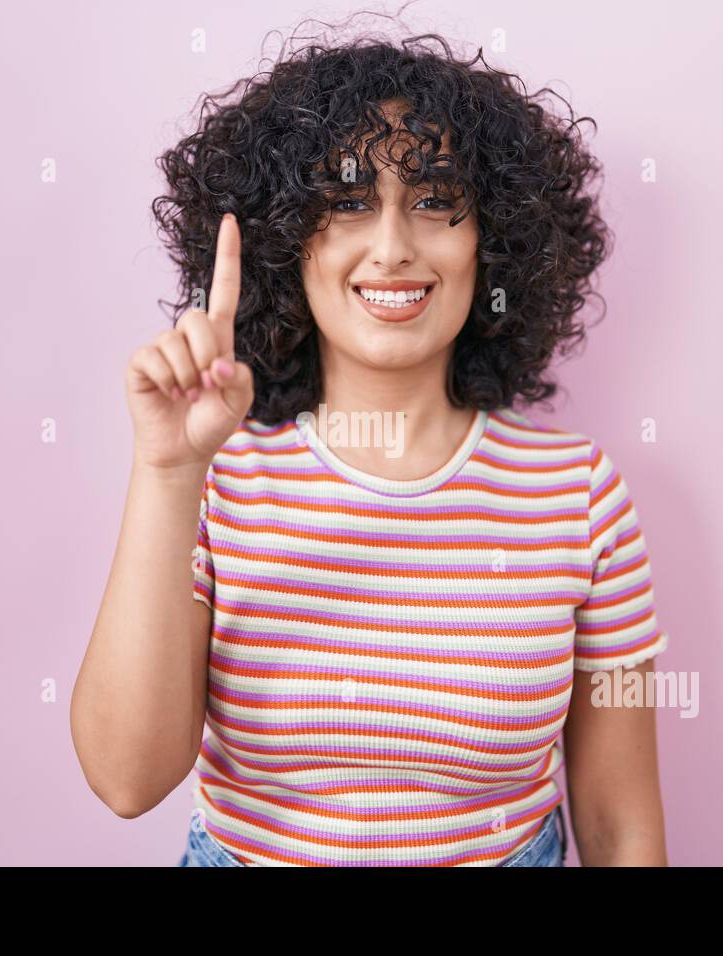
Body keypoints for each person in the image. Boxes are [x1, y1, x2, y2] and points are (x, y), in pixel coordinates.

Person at [71, 27, 670, 867]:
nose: (392, 246)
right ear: (289, 238)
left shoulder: (582, 497)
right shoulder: (218, 479)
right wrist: (169, 470)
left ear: (489, 241)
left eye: (433, 200)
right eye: (348, 201)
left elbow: (622, 825)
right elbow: (126, 780)